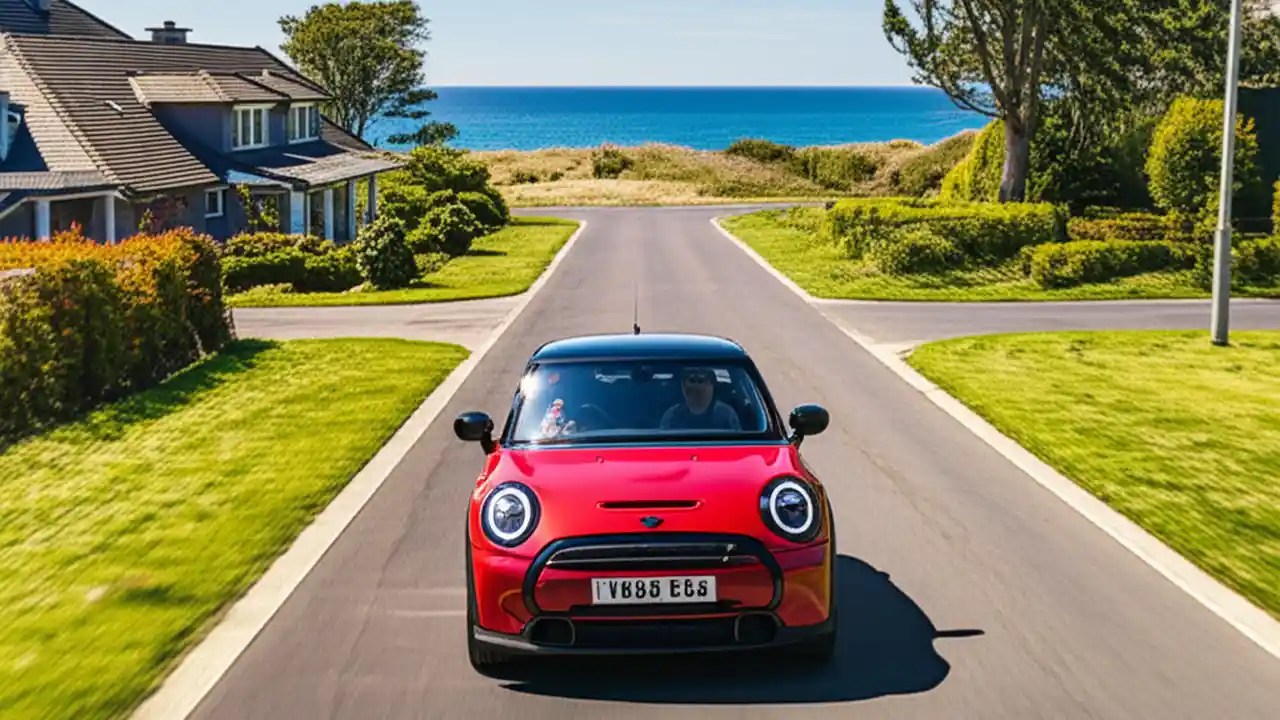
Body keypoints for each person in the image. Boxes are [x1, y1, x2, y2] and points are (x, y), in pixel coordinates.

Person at [660, 366, 742, 431]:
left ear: (712, 384)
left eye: (700, 380)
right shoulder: (671, 417)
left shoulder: (726, 415)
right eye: (692, 380)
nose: (696, 387)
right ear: (683, 386)